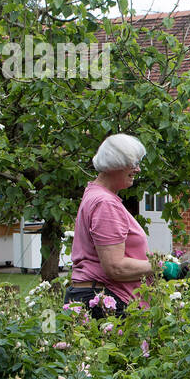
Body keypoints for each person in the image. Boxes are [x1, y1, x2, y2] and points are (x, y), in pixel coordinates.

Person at [65, 134, 153, 317]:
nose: (137, 169)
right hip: (103, 301)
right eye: (133, 164)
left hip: (94, 295)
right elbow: (115, 267)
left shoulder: (96, 195)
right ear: (115, 164)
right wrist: (162, 267)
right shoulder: (105, 204)